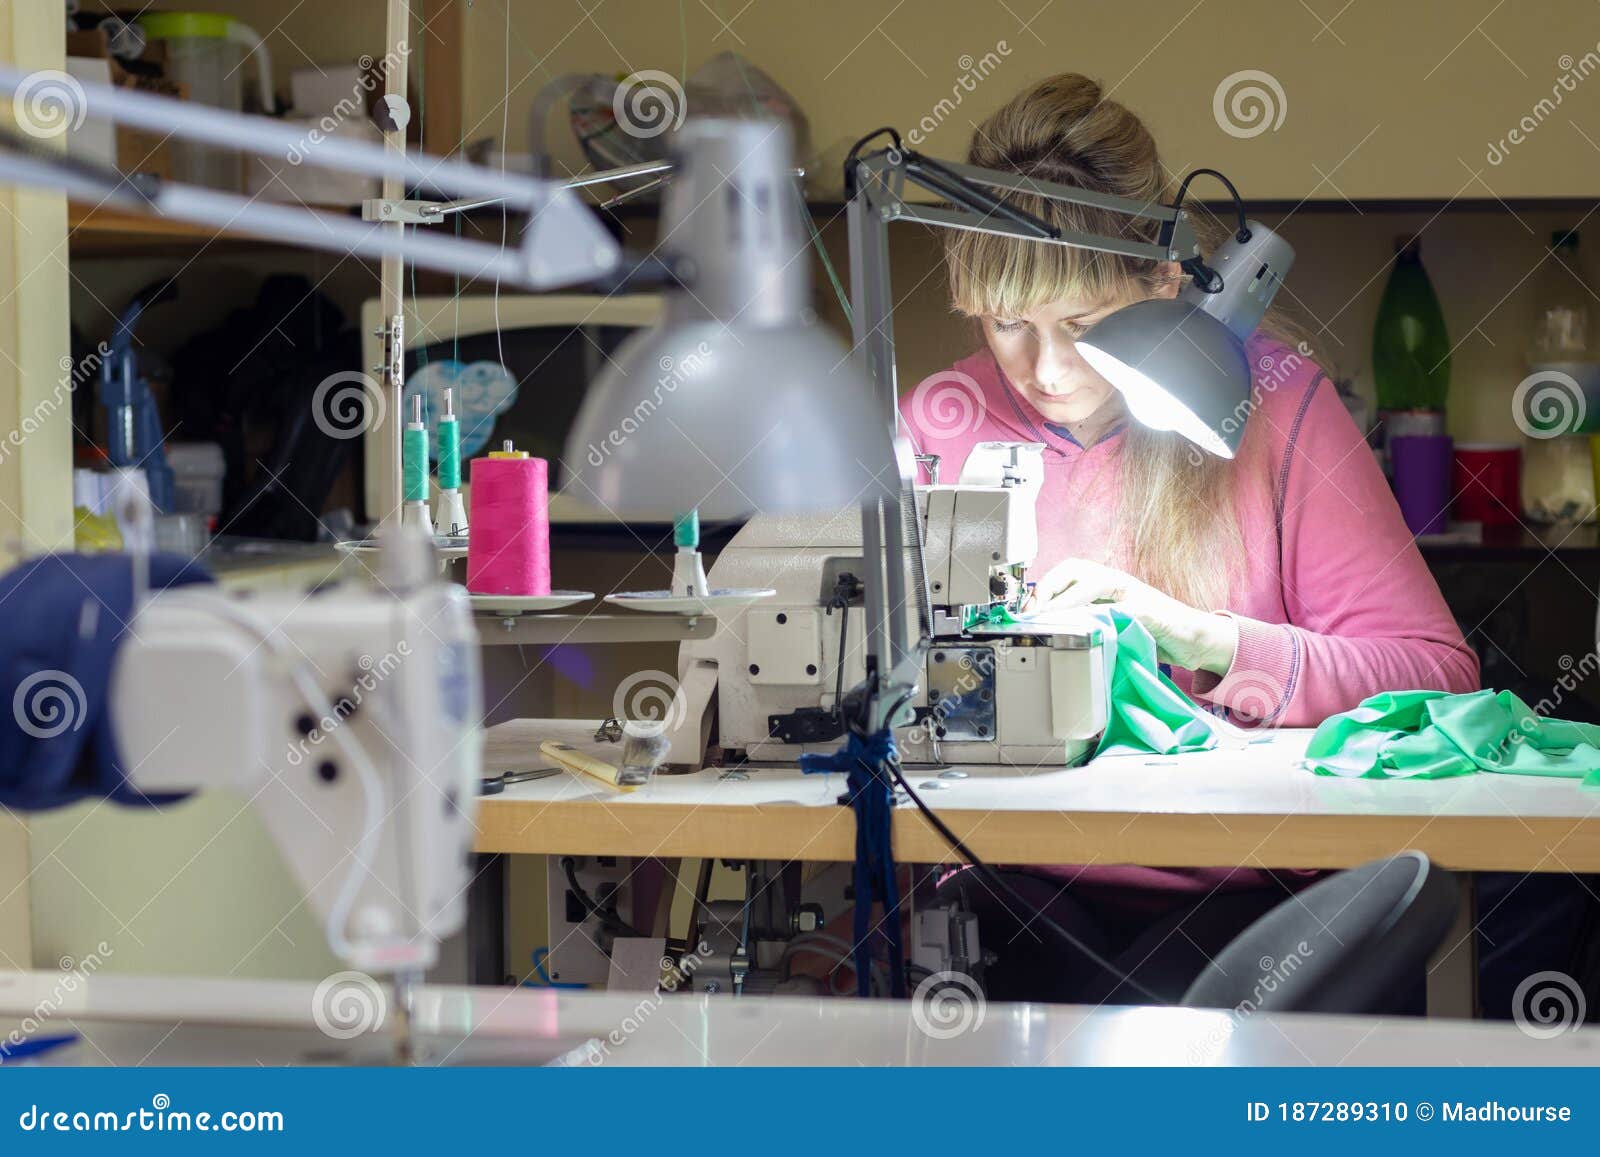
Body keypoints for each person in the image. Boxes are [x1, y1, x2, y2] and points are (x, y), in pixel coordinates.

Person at [898, 73, 1480, 1005]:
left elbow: (1437, 675)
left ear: (1165, 281)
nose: (1044, 370)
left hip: (1251, 891)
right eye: (1009, 323)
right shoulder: (940, 420)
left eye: (1083, 325)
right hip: (1011, 881)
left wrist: (1204, 637)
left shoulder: (1275, 400)